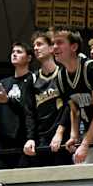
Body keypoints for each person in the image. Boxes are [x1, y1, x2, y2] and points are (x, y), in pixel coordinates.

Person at [50, 27, 93, 164]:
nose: (54, 47)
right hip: (91, 134)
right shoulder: (60, 77)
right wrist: (74, 135)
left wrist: (84, 144)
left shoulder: (92, 68)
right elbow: (74, 108)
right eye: (53, 43)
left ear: (74, 46)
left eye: (59, 43)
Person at [22, 30, 71, 167]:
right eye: (34, 45)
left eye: (39, 44)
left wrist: (60, 133)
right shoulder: (32, 79)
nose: (35, 48)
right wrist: (30, 138)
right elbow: (29, 112)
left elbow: (70, 106)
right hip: (41, 138)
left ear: (51, 48)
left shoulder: (63, 73)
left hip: (62, 136)